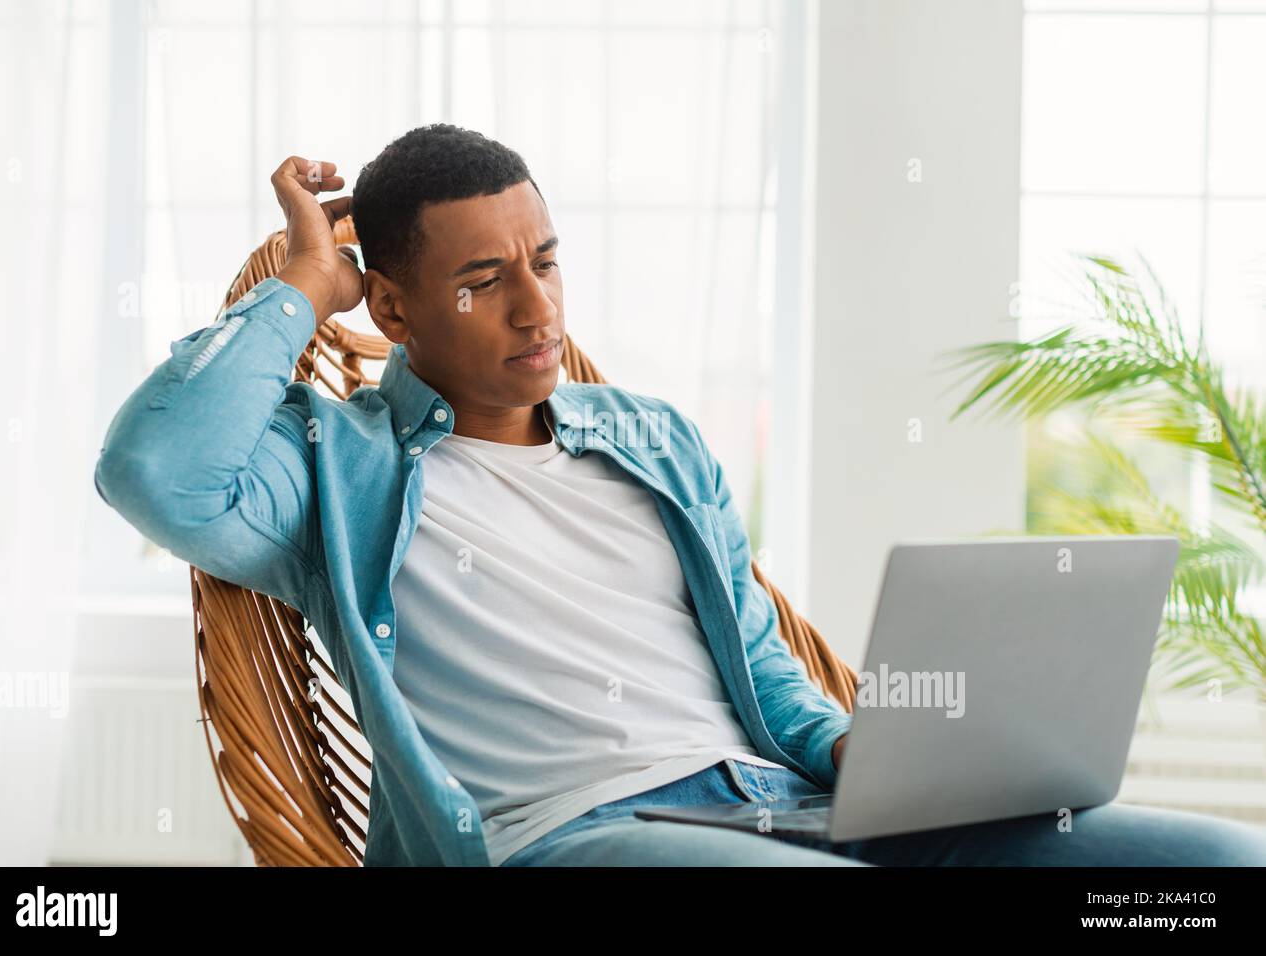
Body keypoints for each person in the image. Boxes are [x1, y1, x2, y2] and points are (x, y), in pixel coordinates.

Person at [95, 123, 1266, 867]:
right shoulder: (330, 471)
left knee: (1208, 866)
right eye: (482, 281)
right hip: (577, 834)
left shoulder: (650, 438)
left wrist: (866, 751)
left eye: (544, 261)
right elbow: (153, 468)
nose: (538, 311)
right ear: (392, 308)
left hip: (782, 805)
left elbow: (765, 673)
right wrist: (305, 280)